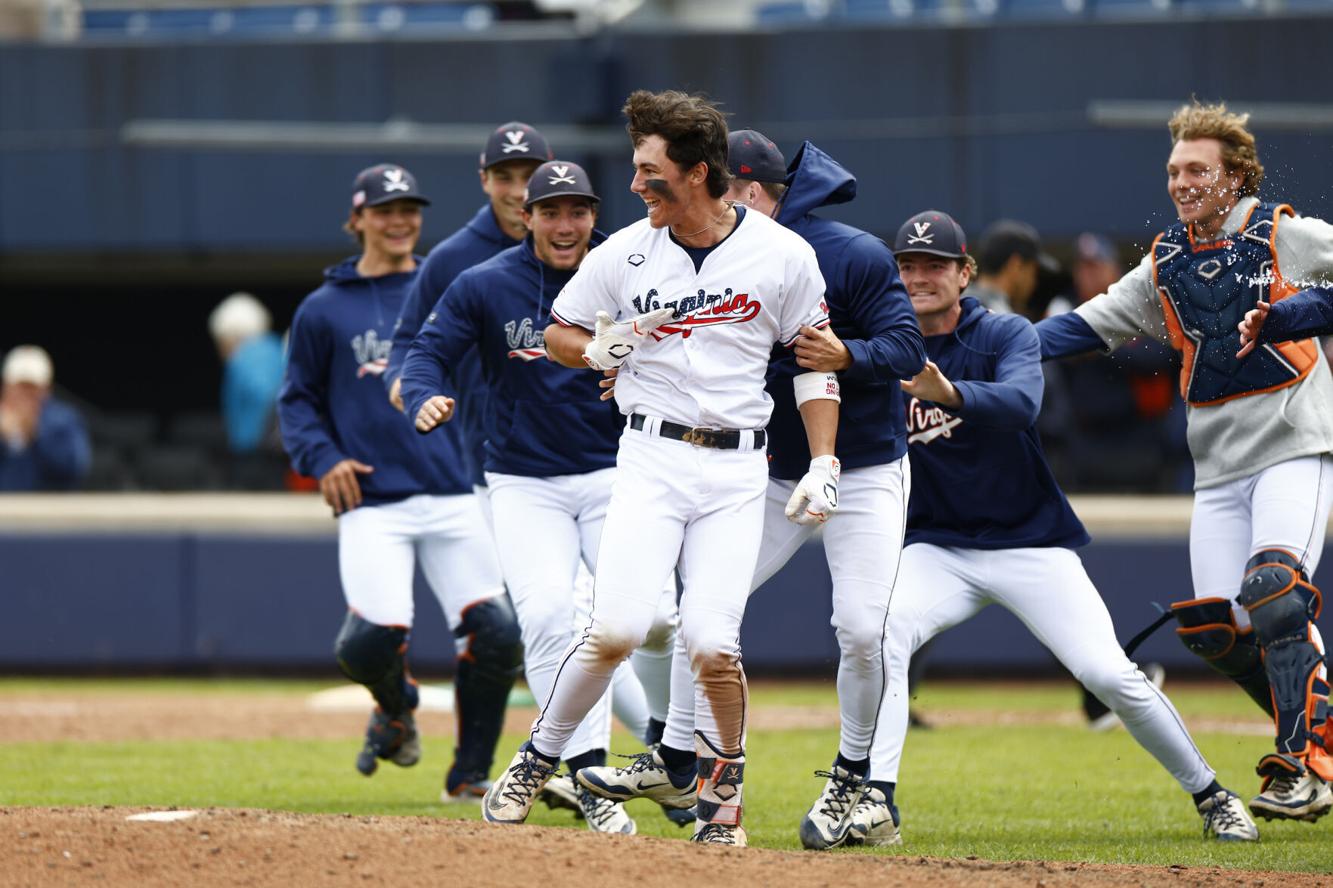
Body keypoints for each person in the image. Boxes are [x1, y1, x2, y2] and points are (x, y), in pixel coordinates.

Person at [480, 90, 841, 848]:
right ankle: (538, 758)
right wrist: (597, 351)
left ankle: (722, 803)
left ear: (699, 172)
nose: (638, 186)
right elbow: (559, 332)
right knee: (614, 628)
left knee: (712, 642)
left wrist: (824, 458)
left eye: (652, 172)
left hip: (739, 468)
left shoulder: (782, 254)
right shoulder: (625, 252)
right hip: (649, 455)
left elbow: (814, 364)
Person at [842, 209, 1259, 847]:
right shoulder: (885, 344)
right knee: (880, 634)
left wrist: (950, 392)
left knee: (1109, 674)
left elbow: (1020, 405)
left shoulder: (1004, 334)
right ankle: (879, 802)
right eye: (908, 266)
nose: (919, 276)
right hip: (937, 548)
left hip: (1029, 544)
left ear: (965, 273)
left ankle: (1212, 795)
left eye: (934, 265)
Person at [574, 129, 926, 850]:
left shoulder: (840, 252)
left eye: (724, 191)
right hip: (762, 467)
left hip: (858, 466)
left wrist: (849, 354)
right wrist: (622, 361)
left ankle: (854, 781)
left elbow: (907, 350)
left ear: (751, 192)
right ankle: (675, 758)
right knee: (704, 611)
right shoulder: (689, 254)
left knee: (863, 629)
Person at [1038, 100, 1333, 822]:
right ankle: (1323, 733)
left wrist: (1295, 313)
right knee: (1212, 627)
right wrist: (995, 345)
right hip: (1218, 469)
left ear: (1234, 177)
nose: (1180, 181)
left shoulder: (1284, 235)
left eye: (1196, 169)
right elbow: (1088, 323)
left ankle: (1304, 761)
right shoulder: (1164, 259)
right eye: (1173, 170)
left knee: (1273, 590)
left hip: (1293, 447)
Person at [401, 160, 681, 834]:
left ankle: (675, 753)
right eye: (550, 211)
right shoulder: (485, 283)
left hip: (618, 472)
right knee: (551, 617)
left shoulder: (632, 268)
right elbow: (425, 352)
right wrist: (421, 395)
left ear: (593, 215)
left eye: (577, 210)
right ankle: (588, 775)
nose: (565, 224)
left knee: (657, 620)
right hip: (523, 481)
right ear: (524, 217)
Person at [277, 163, 523, 804]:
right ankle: (397, 704)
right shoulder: (322, 309)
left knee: (497, 634)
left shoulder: (452, 286)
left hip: (454, 486)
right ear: (357, 219)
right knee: (367, 642)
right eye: (384, 210)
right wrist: (322, 457)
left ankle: (469, 777)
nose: (399, 220)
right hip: (372, 496)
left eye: (409, 208)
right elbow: (298, 402)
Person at [0, 345, 90, 491]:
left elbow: (74, 469)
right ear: (7, 387)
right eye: (20, 386)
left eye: (32, 387)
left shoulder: (64, 420)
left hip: (49, 509)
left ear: (46, 389)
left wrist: (35, 433)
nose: (26, 394)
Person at [208, 292, 286, 455]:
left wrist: (257, 441)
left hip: (257, 454)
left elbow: (265, 395)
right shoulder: (276, 348)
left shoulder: (248, 356)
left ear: (230, 336)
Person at [969, 219, 1054, 317]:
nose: (1034, 281)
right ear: (1015, 265)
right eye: (1032, 271)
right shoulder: (997, 314)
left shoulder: (960, 300)